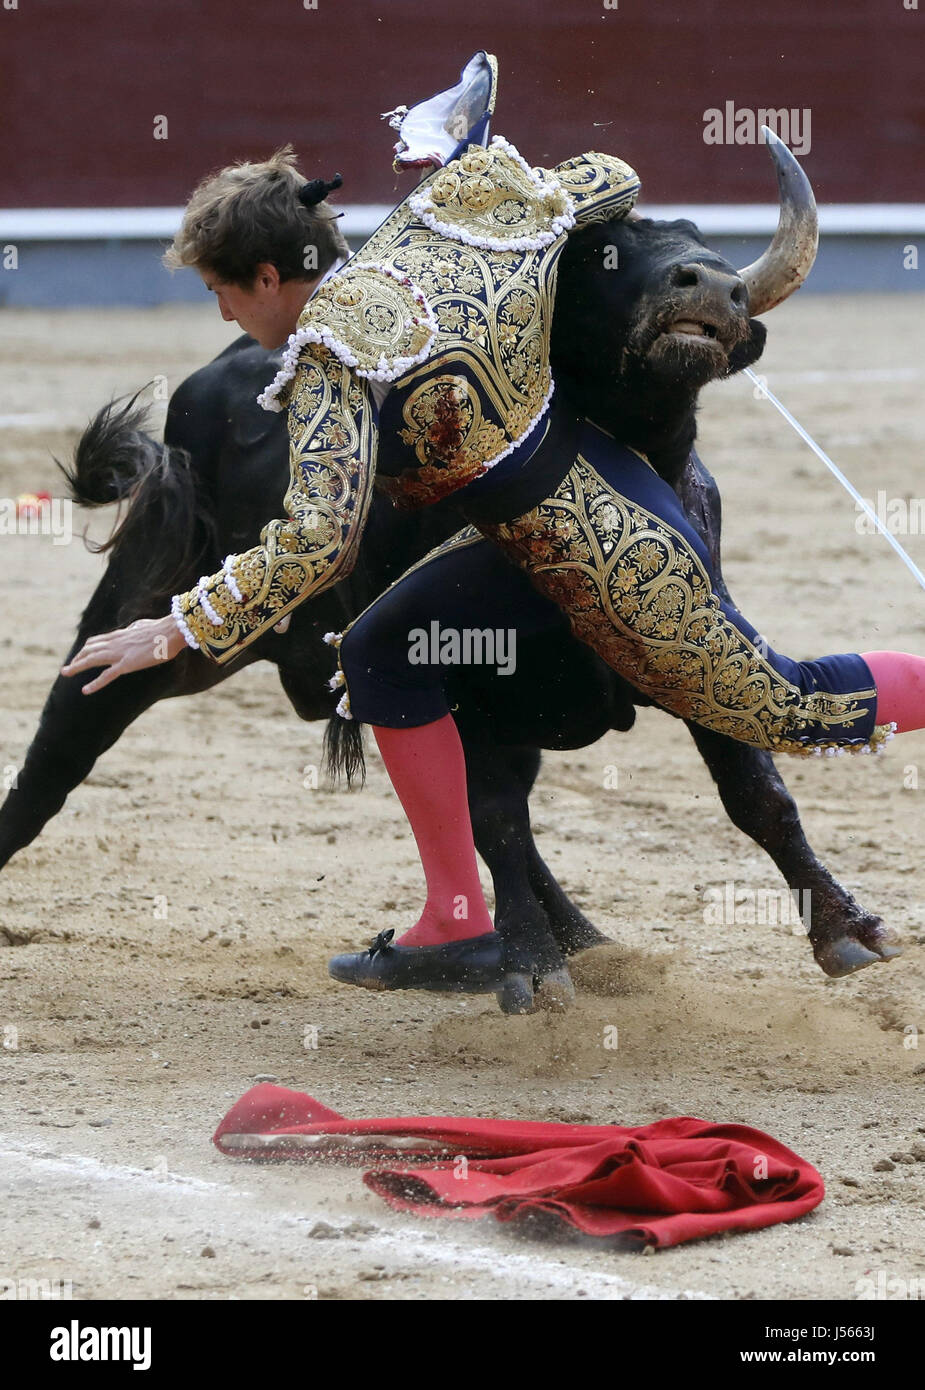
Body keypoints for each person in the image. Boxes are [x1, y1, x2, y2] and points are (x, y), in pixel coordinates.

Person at [64, 53, 914, 996]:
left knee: (789, 705)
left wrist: (178, 627)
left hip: (612, 544)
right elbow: (608, 176)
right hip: (512, 531)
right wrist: (480, 162)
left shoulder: (329, 363)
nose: (220, 312)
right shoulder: (444, 232)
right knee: (382, 645)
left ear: (266, 277)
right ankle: (458, 919)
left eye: (219, 292)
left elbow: (315, 541)